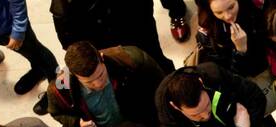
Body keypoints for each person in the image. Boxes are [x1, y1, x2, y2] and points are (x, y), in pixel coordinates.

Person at [45, 41, 164, 127]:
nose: (98, 84)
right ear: (74, 75)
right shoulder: (59, 89)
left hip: (139, 124)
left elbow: (161, 84)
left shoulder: (129, 59)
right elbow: (56, 112)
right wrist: (76, 124)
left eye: (101, 75)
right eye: (89, 82)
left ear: (102, 58)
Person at [50, 0, 185, 74]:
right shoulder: (64, 5)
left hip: (135, 22)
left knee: (155, 59)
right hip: (101, 41)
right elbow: (68, 39)